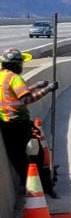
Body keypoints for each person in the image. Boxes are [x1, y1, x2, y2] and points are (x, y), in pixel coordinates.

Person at [1, 48, 57, 186]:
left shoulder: (2, 76)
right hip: (17, 122)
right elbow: (25, 100)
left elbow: (15, 95)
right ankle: (32, 184)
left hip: (6, 122)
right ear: (16, 64)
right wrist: (47, 90)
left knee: (18, 156)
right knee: (30, 154)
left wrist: (35, 86)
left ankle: (30, 182)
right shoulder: (14, 78)